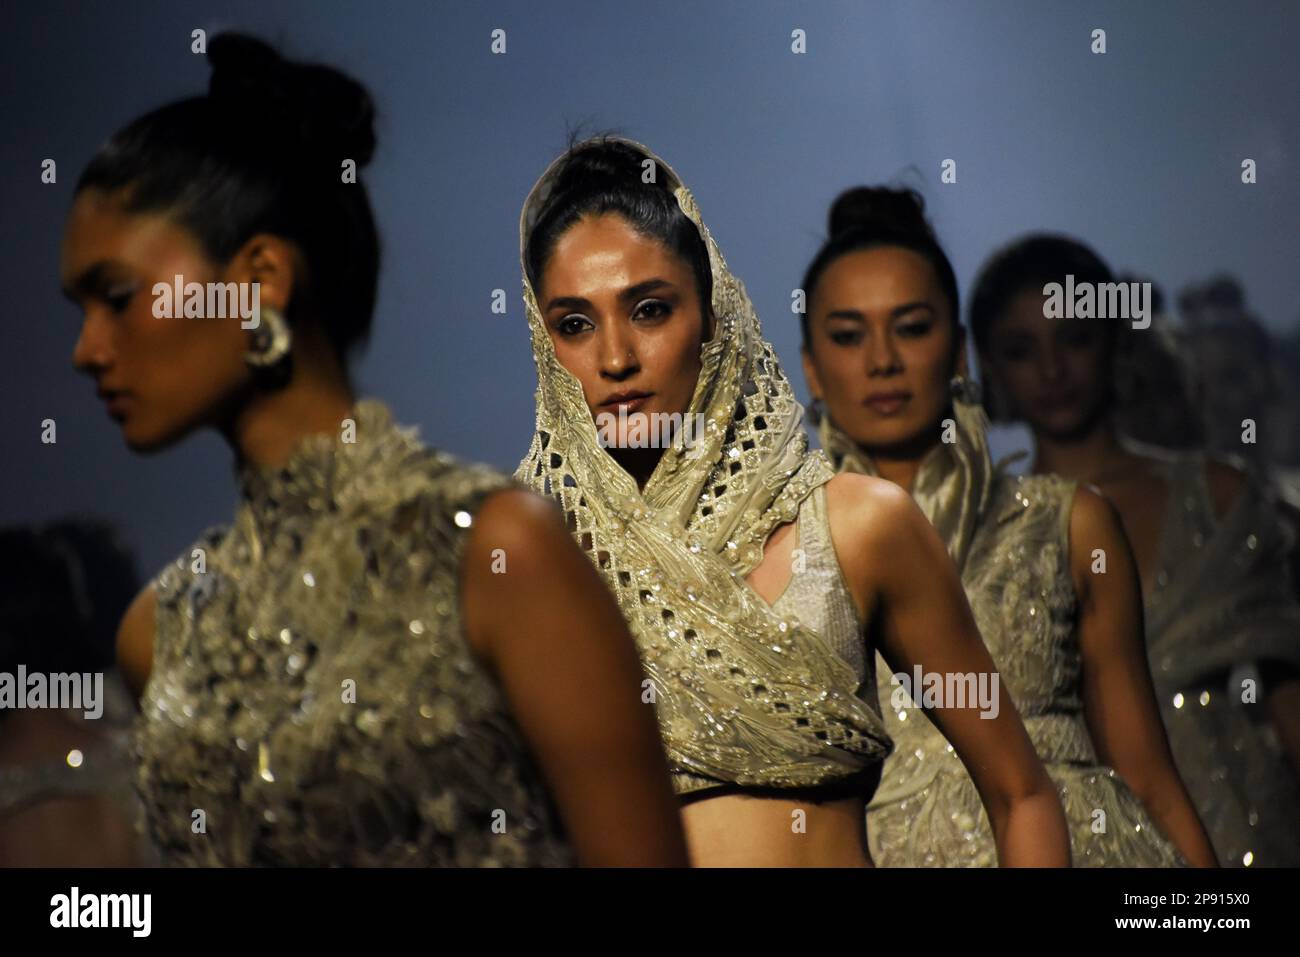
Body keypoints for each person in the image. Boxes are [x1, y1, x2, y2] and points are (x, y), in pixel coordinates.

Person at [62, 33, 687, 867]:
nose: (86, 348)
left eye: (116, 296)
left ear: (258, 280)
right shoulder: (159, 634)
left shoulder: (496, 555)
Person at [514, 136, 1071, 867]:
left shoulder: (854, 525)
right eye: (575, 324)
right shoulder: (534, 567)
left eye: (649, 309)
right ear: (541, 341)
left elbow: (1021, 792)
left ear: (713, 318)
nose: (615, 357)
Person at [800, 188, 1216, 866]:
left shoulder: (1068, 521)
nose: (882, 360)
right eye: (848, 335)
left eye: (911, 326)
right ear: (812, 365)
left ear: (961, 352)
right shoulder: (785, 553)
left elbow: (1148, 775)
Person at [972, 233, 1300, 866]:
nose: (1051, 372)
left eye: (1074, 338)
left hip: (1250, 816)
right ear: (991, 367)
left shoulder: (1215, 494)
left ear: (1113, 342)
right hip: (1094, 839)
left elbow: (1286, 686)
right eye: (1021, 350)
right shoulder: (989, 533)